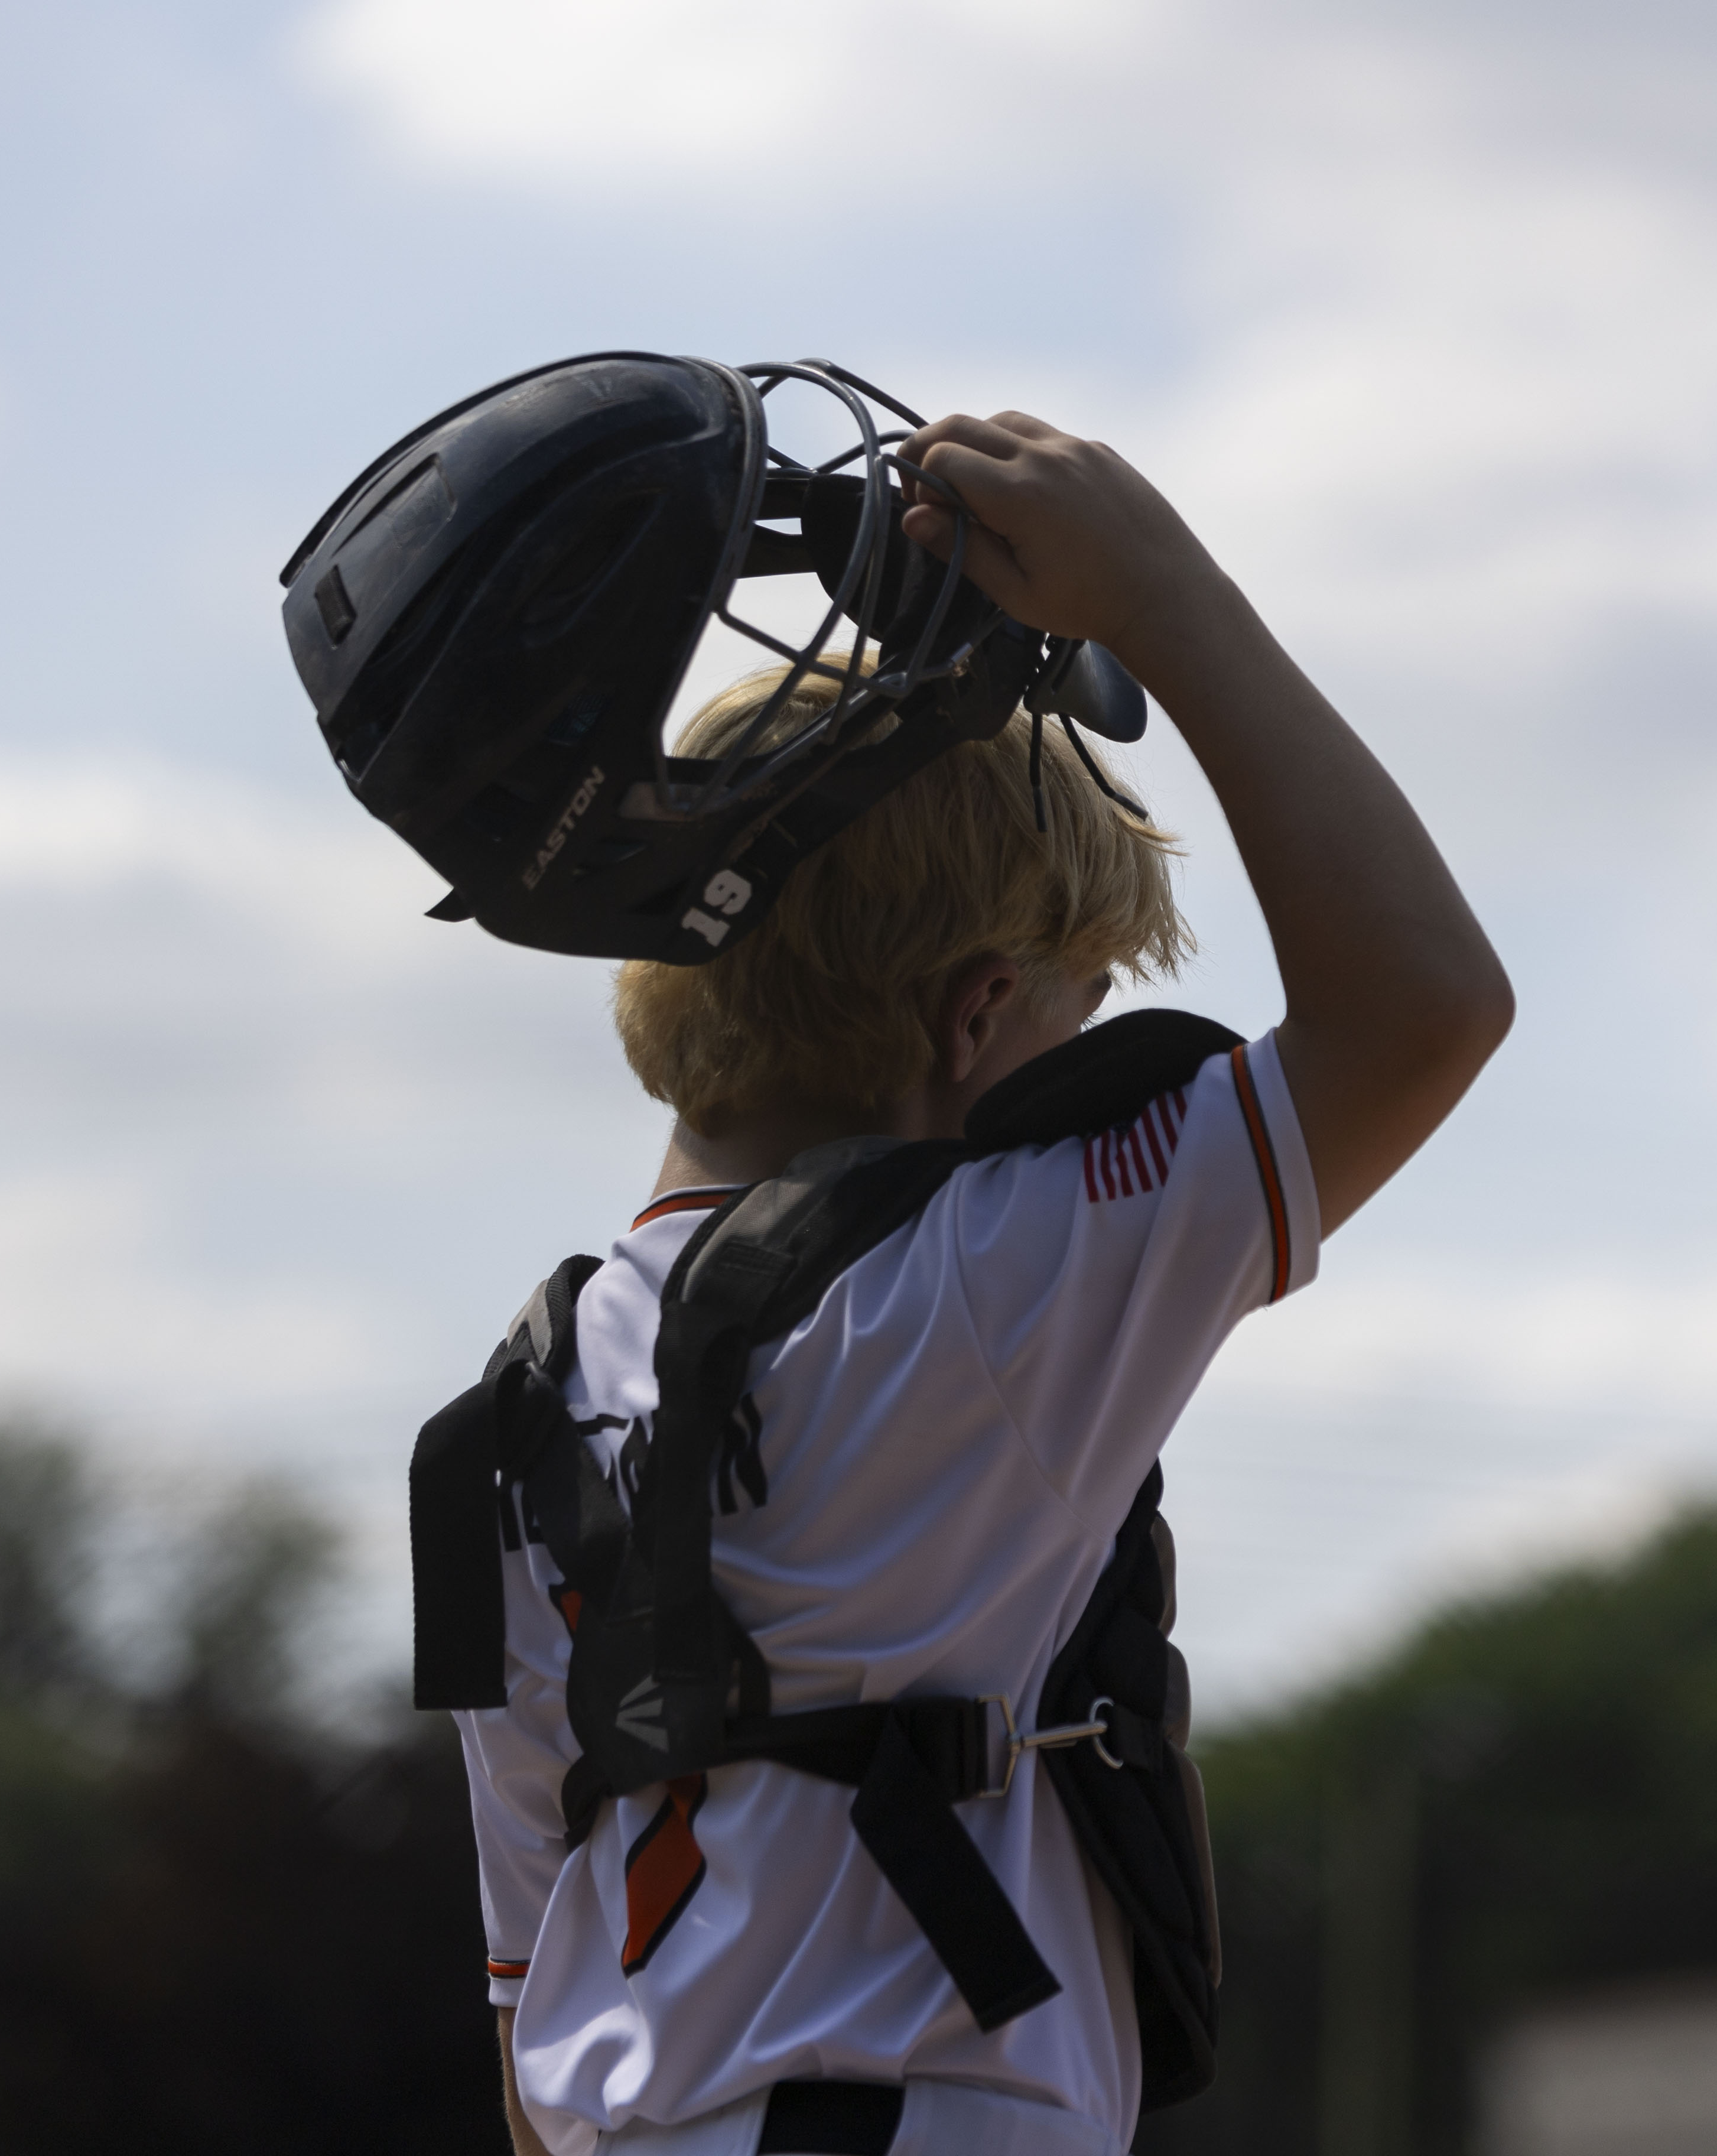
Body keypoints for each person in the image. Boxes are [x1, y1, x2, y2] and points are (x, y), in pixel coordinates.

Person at [459, 408, 1512, 2156]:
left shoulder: (505, 1421)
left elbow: (528, 2018)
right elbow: (1425, 1007)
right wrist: (1168, 596)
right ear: (972, 1022)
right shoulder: (973, 1283)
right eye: (1065, 1009)